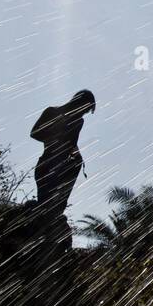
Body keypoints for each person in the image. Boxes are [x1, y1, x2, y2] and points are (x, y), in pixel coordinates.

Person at [30, 90, 95, 228]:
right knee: (45, 209)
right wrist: (55, 136)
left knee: (55, 211)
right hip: (47, 166)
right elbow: (34, 133)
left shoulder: (78, 121)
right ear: (79, 103)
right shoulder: (52, 112)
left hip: (63, 168)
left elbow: (72, 144)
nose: (84, 114)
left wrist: (78, 156)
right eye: (85, 109)